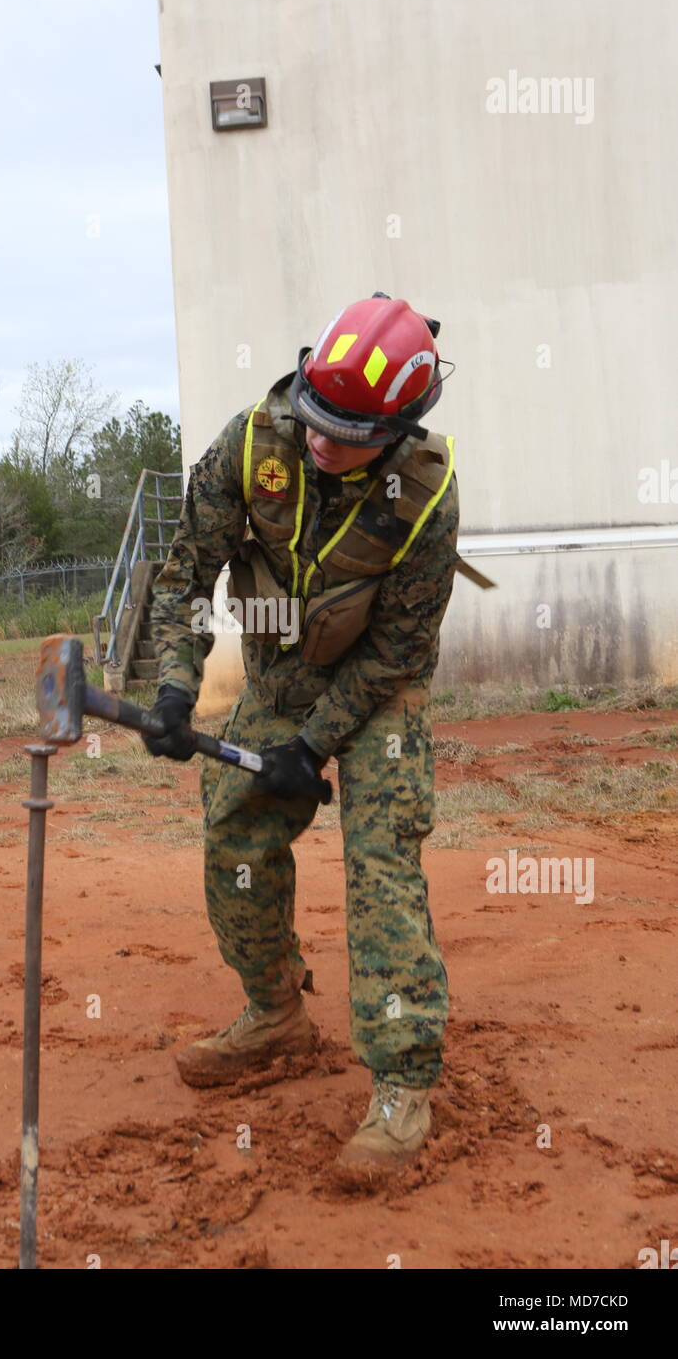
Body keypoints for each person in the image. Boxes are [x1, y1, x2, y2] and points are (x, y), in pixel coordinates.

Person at [146, 293, 469, 1174]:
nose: (322, 441)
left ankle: (402, 1086)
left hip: (380, 687)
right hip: (285, 667)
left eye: (348, 434)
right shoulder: (252, 445)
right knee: (232, 831)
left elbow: (402, 648)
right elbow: (186, 574)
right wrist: (177, 686)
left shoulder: (424, 494)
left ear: (401, 428)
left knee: (380, 861)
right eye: (315, 419)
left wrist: (313, 747)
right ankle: (277, 1014)